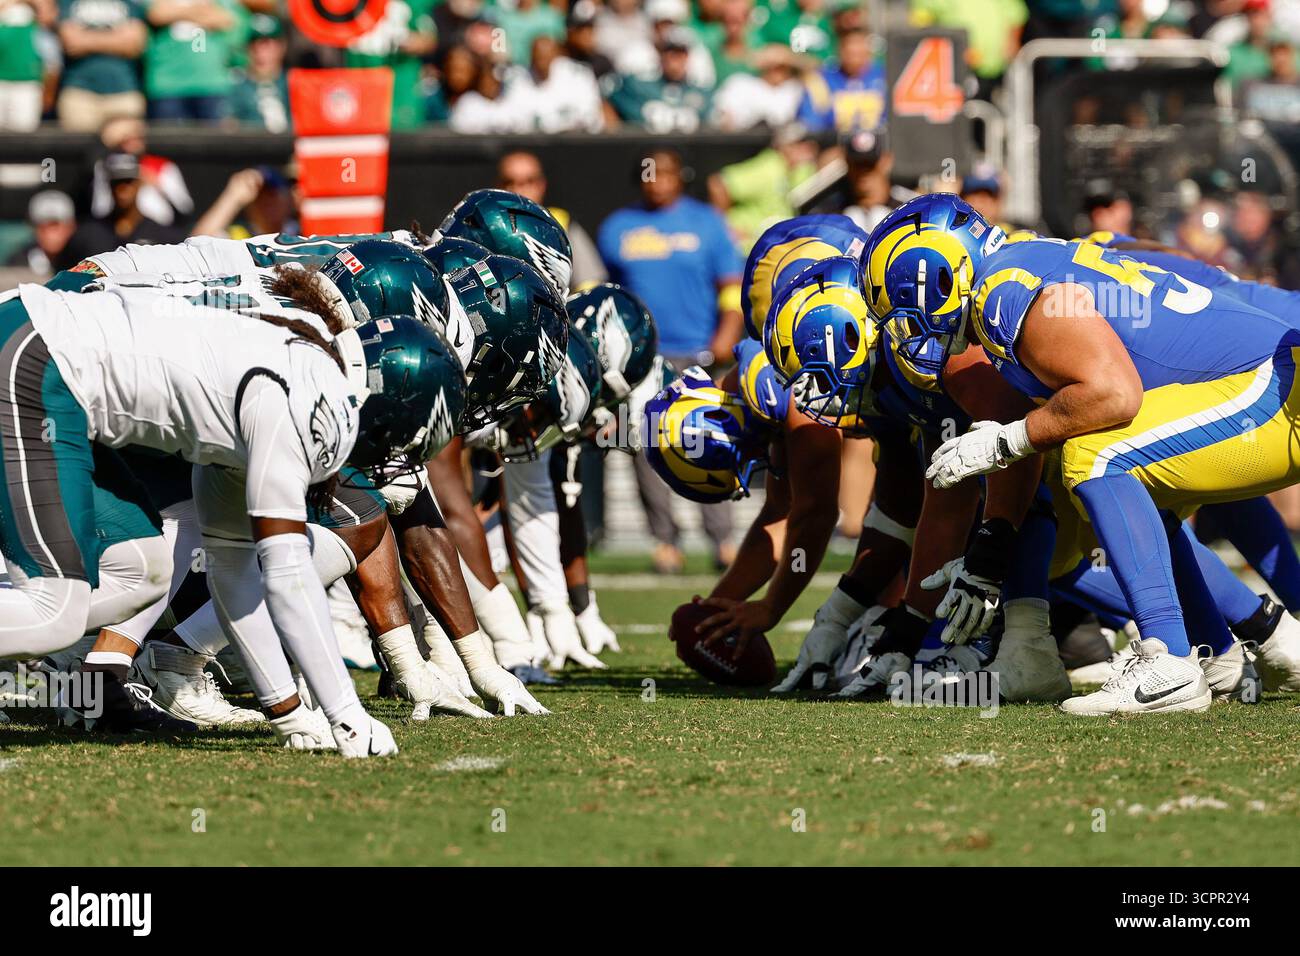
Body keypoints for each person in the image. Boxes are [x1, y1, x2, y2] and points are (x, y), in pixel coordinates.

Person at [867, 193, 1300, 715]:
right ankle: (1215, 648)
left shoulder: (1004, 291)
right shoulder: (1018, 267)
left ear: (938, 273)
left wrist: (1008, 439)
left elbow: (1112, 395)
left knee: (1096, 455)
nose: (906, 327)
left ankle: (1169, 660)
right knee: (1111, 472)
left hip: (1270, 388)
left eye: (902, 304)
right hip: (1260, 382)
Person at [598, 148, 743, 571]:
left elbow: (731, 287)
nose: (656, 179)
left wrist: (724, 338)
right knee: (647, 447)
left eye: (664, 172)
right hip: (644, 359)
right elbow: (608, 297)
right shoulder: (617, 228)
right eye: (648, 172)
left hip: (699, 352)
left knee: (710, 439)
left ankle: (723, 538)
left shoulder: (707, 223)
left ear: (681, 176)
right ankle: (664, 542)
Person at [497, 150, 606, 289]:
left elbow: (589, 283)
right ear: (498, 185)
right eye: (509, 181)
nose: (520, 189)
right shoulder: (486, 227)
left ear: (541, 184)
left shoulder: (561, 223)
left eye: (529, 181)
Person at [64, 150, 188, 263]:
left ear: (140, 183)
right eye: (116, 182)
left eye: (128, 181)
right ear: (108, 184)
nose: (122, 188)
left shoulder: (165, 238)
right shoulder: (87, 235)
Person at [708, 123, 817, 250]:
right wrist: (723, 228)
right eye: (798, 144)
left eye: (808, 143)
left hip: (777, 250)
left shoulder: (802, 170)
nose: (806, 149)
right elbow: (718, 184)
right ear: (782, 147)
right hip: (749, 252)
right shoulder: (768, 168)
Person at [142, 0, 240, 123]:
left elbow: (227, 20)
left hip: (211, 85)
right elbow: (156, 14)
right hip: (167, 85)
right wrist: (200, 11)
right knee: (169, 140)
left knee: (215, 141)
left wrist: (177, 13)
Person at [345, 0, 437, 130]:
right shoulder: (350, 3)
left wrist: (406, 40)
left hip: (399, 89)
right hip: (360, 87)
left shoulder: (410, 3)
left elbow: (429, 39)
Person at [56, 0, 148, 130]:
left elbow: (134, 44)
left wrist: (86, 39)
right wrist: (117, 39)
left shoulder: (130, 3)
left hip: (124, 92)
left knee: (125, 150)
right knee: (77, 148)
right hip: (79, 93)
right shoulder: (68, 2)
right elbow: (71, 42)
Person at [603, 26, 713, 132]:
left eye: (679, 54)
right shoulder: (639, 86)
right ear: (660, 55)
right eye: (669, 53)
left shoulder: (701, 93)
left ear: (687, 57)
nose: (674, 60)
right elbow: (608, 101)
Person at [795, 24, 885, 134]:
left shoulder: (884, 77)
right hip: (834, 143)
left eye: (859, 54)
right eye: (851, 54)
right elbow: (813, 123)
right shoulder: (821, 81)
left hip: (879, 145)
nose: (855, 61)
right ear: (840, 52)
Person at [518, 34, 607, 133]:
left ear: (556, 55)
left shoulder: (579, 75)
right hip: (534, 142)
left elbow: (590, 115)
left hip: (577, 140)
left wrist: (549, 122)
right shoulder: (520, 77)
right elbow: (518, 118)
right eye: (538, 58)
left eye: (545, 57)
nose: (541, 63)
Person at [711, 43, 804, 130]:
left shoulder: (794, 89)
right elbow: (723, 116)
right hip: (741, 140)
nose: (777, 71)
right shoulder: (740, 83)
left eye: (782, 67)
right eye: (772, 66)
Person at [228, 12, 289, 132]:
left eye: (267, 44)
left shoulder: (294, 84)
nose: (260, 52)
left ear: (282, 47)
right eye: (253, 45)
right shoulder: (236, 88)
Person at [0, 0, 54, 131]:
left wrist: (48, 92)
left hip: (27, 86)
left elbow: (52, 63)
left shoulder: (36, 30)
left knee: (23, 133)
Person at [6, 190, 77, 277]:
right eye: (42, 225)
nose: (49, 233)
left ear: (71, 227)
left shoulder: (83, 260)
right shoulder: (18, 263)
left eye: (55, 225)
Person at [563, 0, 615, 81]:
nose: (587, 35)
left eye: (590, 29)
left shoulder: (602, 63)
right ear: (570, 33)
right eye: (581, 30)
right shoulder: (559, 62)